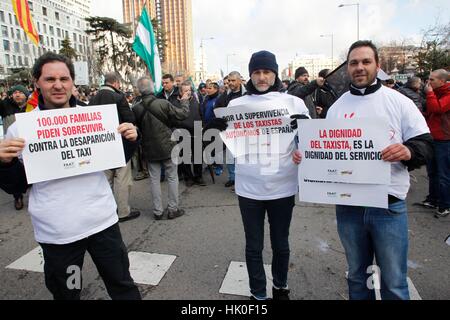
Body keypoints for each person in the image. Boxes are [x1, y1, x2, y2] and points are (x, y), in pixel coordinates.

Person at [293, 40, 433, 300]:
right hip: (349, 208)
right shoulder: (337, 108)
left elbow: (425, 143)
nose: (359, 67)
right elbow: (327, 151)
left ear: (377, 66)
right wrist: (309, 157)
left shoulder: (399, 102)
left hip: (388, 206)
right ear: (347, 68)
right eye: (353, 63)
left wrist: (409, 151)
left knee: (394, 282)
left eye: (365, 61)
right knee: (358, 277)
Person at [0, 52, 141, 300]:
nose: (58, 85)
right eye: (50, 79)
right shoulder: (20, 128)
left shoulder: (95, 118)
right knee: (67, 293)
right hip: (58, 233)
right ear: (37, 82)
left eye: (64, 78)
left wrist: (130, 139)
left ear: (72, 82)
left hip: (102, 223)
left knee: (122, 286)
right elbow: (16, 185)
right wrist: (5, 163)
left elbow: (116, 159)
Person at [214, 51, 309, 300]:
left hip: (283, 186)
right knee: (253, 246)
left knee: (281, 243)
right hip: (249, 187)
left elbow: (310, 142)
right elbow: (222, 139)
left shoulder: (293, 103)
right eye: (257, 72)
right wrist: (219, 129)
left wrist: (303, 146)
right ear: (250, 75)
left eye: (267, 71)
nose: (262, 77)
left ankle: (280, 286)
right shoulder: (235, 105)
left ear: (275, 73)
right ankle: (257, 293)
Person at [132, 76, 190, 220]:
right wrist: (184, 101)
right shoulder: (163, 103)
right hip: (168, 146)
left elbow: (136, 129)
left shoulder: (136, 108)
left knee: (154, 180)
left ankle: (157, 211)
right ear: (152, 88)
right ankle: (173, 209)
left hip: (150, 149)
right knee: (172, 177)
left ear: (139, 90)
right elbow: (182, 114)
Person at [89, 72, 140, 223]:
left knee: (105, 180)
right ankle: (123, 212)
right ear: (116, 83)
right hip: (119, 144)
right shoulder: (118, 97)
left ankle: (106, 211)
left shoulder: (93, 99)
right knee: (122, 179)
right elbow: (130, 120)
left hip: (99, 145)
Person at [422, 69, 449, 218]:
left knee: (443, 174)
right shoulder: (436, 93)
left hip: (444, 141)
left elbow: (437, 108)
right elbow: (430, 111)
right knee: (432, 172)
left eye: (432, 80)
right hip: (433, 139)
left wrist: (430, 93)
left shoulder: (448, 94)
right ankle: (433, 199)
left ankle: (445, 205)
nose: (428, 83)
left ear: (442, 81)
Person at [214, 71, 247, 188]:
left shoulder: (248, 94)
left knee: (243, 157)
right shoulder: (224, 96)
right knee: (230, 157)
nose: (230, 83)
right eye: (229, 81)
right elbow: (217, 108)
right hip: (229, 131)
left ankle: (243, 181)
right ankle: (233, 178)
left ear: (239, 80)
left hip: (245, 132)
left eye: (233, 81)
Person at [0, 84, 29, 210]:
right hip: (11, 144)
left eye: (20, 92)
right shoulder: (5, 105)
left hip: (27, 144)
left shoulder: (31, 106)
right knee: (13, 171)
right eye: (15, 92)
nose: (17, 94)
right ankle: (17, 197)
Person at [172, 81, 205, 187]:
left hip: (196, 132)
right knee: (185, 156)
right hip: (183, 134)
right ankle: (188, 178)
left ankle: (198, 176)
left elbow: (201, 114)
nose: (188, 92)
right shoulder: (175, 103)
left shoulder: (196, 100)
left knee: (198, 156)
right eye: (186, 90)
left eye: (189, 90)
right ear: (180, 92)